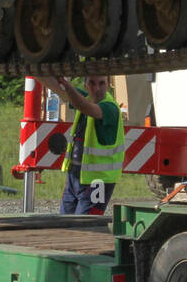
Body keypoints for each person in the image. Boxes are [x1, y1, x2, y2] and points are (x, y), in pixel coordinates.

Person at [39, 75, 124, 215]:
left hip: (97, 181)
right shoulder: (86, 98)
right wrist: (35, 70)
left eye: (102, 83)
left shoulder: (110, 107)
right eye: (92, 83)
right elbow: (57, 88)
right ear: (85, 85)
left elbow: (84, 106)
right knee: (65, 222)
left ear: (108, 85)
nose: (97, 88)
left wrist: (66, 83)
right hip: (76, 177)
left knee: (84, 226)